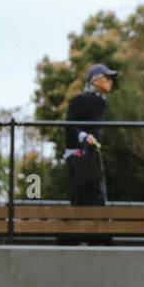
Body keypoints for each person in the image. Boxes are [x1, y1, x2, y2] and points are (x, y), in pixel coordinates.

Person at [63, 63, 115, 207]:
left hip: (92, 152)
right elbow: (69, 124)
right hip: (78, 154)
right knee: (84, 193)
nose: (110, 81)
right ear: (95, 80)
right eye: (107, 77)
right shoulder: (79, 99)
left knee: (94, 195)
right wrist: (84, 136)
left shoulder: (101, 102)